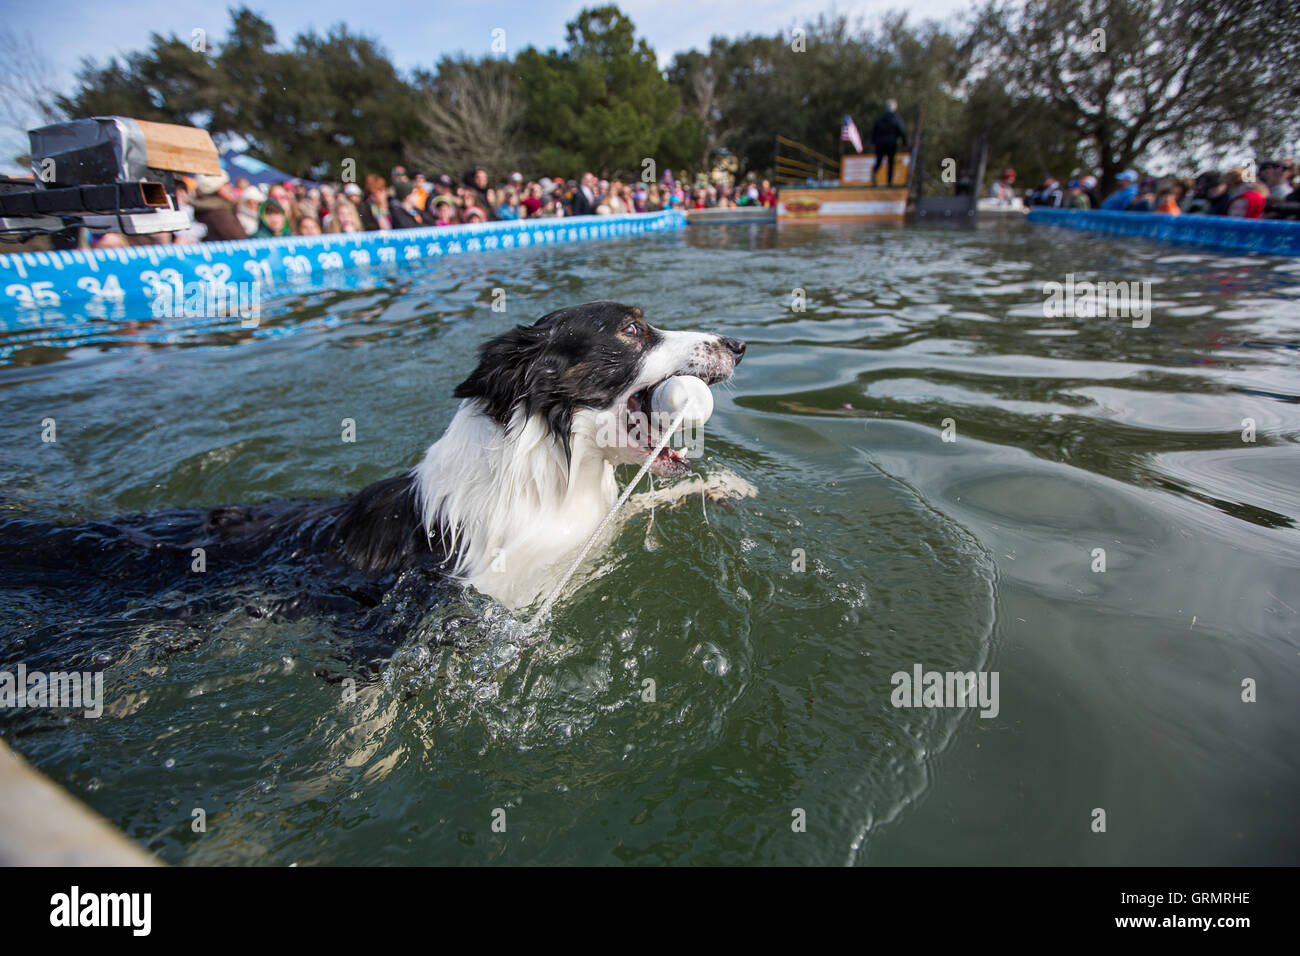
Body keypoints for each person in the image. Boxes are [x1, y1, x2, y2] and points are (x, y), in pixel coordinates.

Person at [190, 171, 246, 242]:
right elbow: (239, 238)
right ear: (219, 188)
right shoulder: (218, 213)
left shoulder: (208, 206)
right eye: (226, 184)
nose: (230, 186)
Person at [870, 99, 907, 186]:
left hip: (880, 144)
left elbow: (874, 131)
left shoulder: (880, 118)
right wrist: (905, 143)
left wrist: (873, 142)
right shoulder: (896, 118)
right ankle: (889, 182)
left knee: (879, 161)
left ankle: (874, 172)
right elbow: (902, 131)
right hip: (891, 143)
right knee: (891, 163)